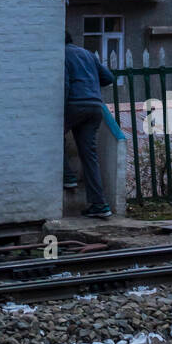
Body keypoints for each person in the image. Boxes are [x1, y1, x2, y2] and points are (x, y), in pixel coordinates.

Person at [64, 29, 114, 219]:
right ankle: (100, 205)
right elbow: (108, 78)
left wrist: (63, 109)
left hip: (75, 105)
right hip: (95, 107)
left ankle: (68, 177)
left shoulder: (60, 55)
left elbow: (66, 84)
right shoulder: (86, 54)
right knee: (89, 155)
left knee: (51, 136)